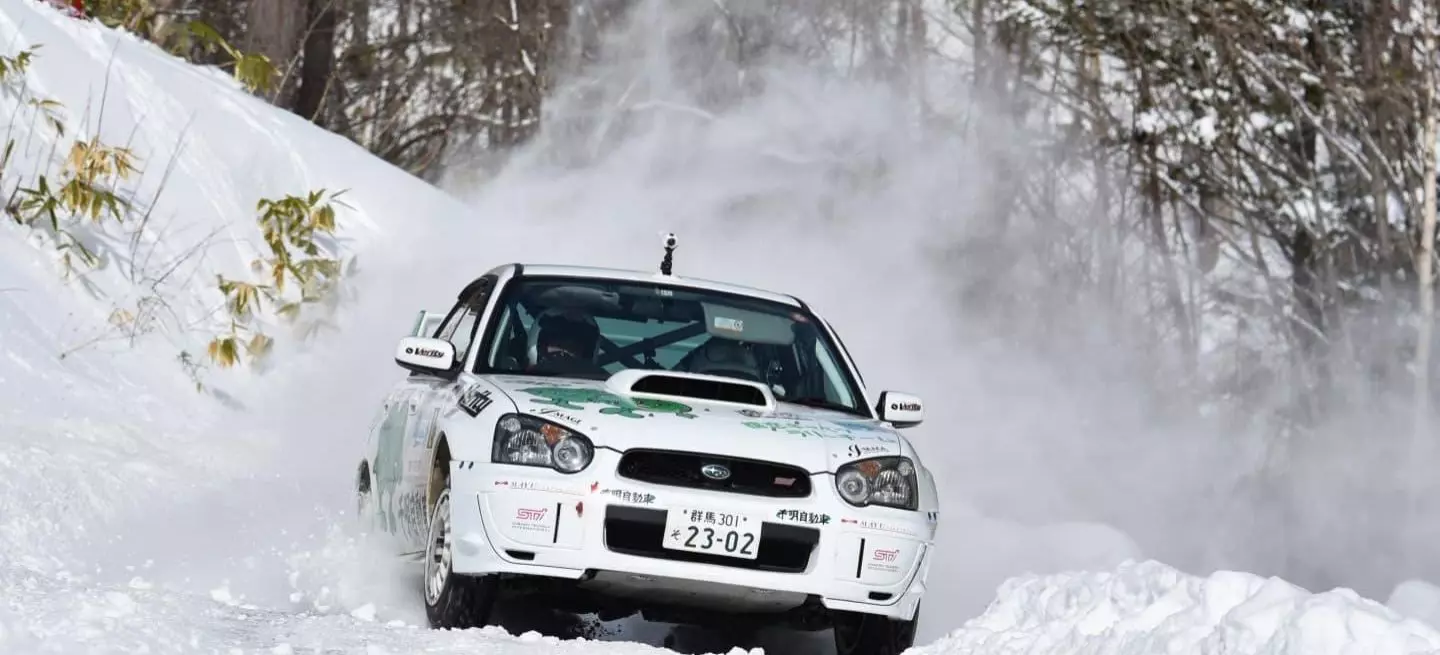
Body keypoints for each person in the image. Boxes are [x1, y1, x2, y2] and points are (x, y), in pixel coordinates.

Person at [530, 309, 607, 377]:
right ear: (541, 347)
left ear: (587, 352)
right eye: (558, 344)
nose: (564, 353)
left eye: (572, 347)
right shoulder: (526, 374)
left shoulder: (605, 379)